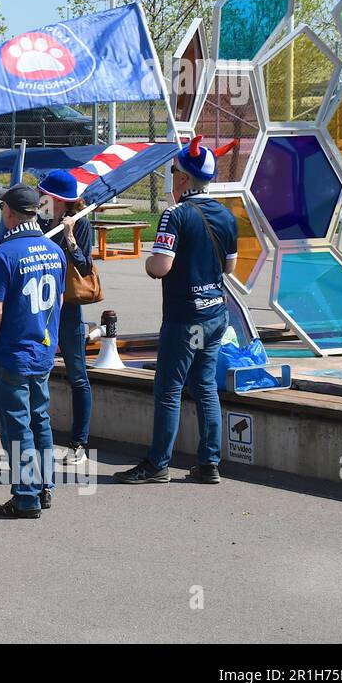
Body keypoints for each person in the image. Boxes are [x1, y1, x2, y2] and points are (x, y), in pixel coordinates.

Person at [115, 138, 238, 485]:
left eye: (172, 171)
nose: (171, 177)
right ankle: (209, 463)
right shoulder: (226, 215)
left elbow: (161, 267)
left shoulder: (175, 214)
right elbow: (228, 269)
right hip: (216, 314)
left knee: (168, 388)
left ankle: (157, 463)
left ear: (183, 178)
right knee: (205, 387)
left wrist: (149, 266)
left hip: (185, 317)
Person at [0, 184, 67, 518]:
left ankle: (26, 496)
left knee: (17, 427)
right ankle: (44, 486)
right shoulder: (54, 250)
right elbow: (58, 300)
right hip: (41, 348)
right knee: (39, 418)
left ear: (10, 212)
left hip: (12, 352)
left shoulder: (4, 254)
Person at [38, 169, 95, 465]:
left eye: (46, 194)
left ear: (61, 200)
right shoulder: (39, 219)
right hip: (40, 305)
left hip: (69, 308)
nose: (41, 198)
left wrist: (70, 235)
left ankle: (79, 443)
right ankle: (38, 437)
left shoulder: (81, 223)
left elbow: (85, 267)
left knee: (77, 374)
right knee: (38, 371)